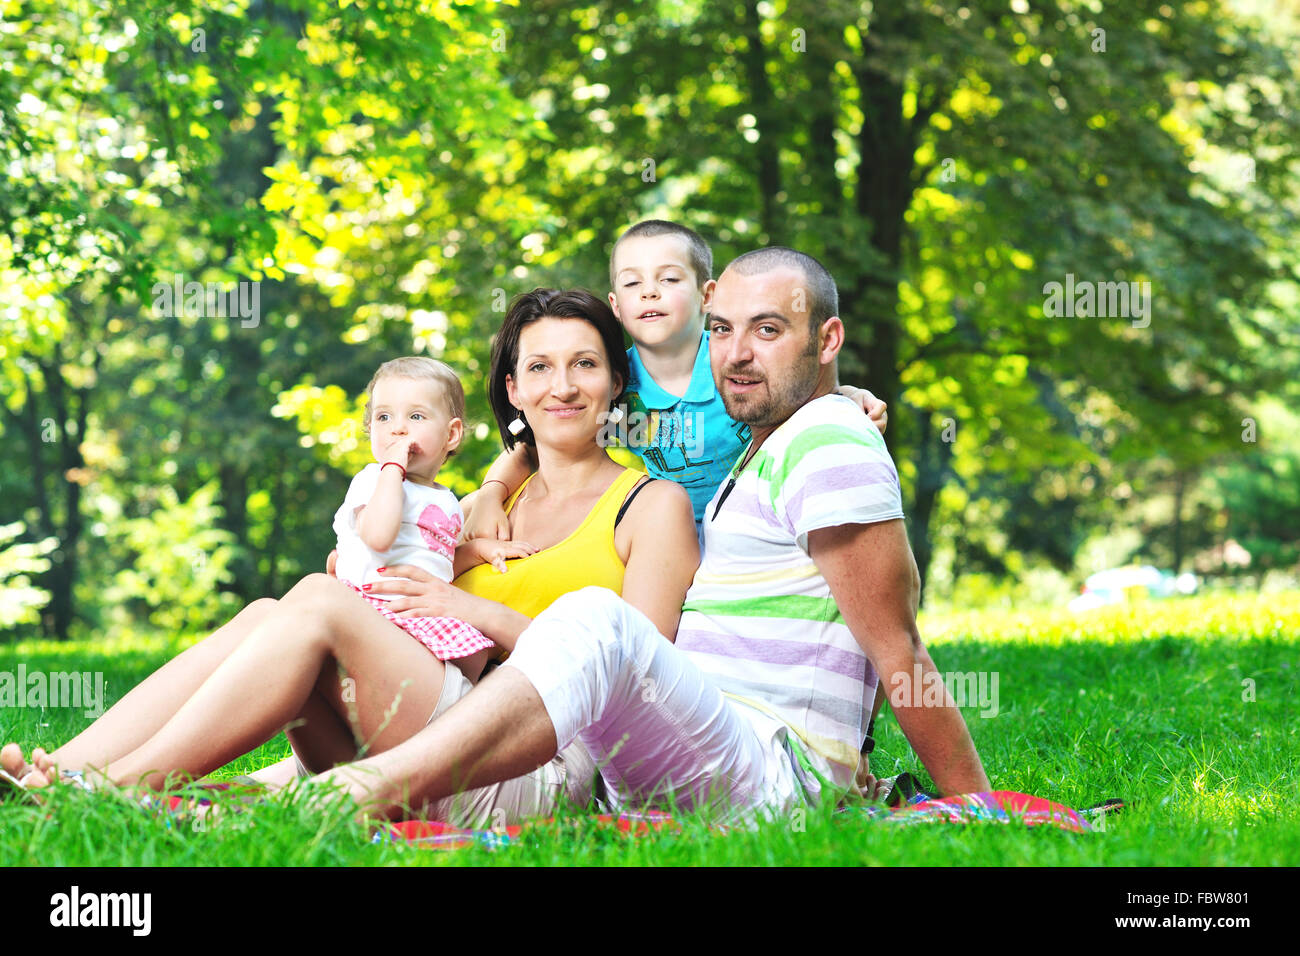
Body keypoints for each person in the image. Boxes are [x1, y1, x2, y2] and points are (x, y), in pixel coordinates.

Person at [310, 247, 991, 822]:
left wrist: (976, 803)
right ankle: (311, 784)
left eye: (769, 330)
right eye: (721, 330)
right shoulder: (763, 454)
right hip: (695, 742)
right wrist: (495, 479)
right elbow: (555, 436)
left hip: (773, 773)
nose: (737, 354)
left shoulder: (830, 439)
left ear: (828, 339)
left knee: (596, 619)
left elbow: (898, 646)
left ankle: (369, 791)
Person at [1, 290, 700, 827]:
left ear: (615, 379)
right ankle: (59, 770)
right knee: (274, 608)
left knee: (315, 600)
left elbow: (638, 675)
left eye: (584, 364)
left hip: (535, 762)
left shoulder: (652, 505)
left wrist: (474, 608)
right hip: (432, 726)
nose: (563, 386)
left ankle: (110, 790)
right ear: (513, 391)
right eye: (540, 367)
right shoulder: (492, 505)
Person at [465, 220, 888, 544]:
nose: (650, 292)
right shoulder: (612, 384)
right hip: (675, 537)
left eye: (668, 279)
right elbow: (532, 447)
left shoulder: (734, 357)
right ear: (616, 305)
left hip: (762, 526)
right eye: (633, 283)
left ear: (708, 297)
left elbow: (795, 391)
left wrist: (843, 397)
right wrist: (489, 494)